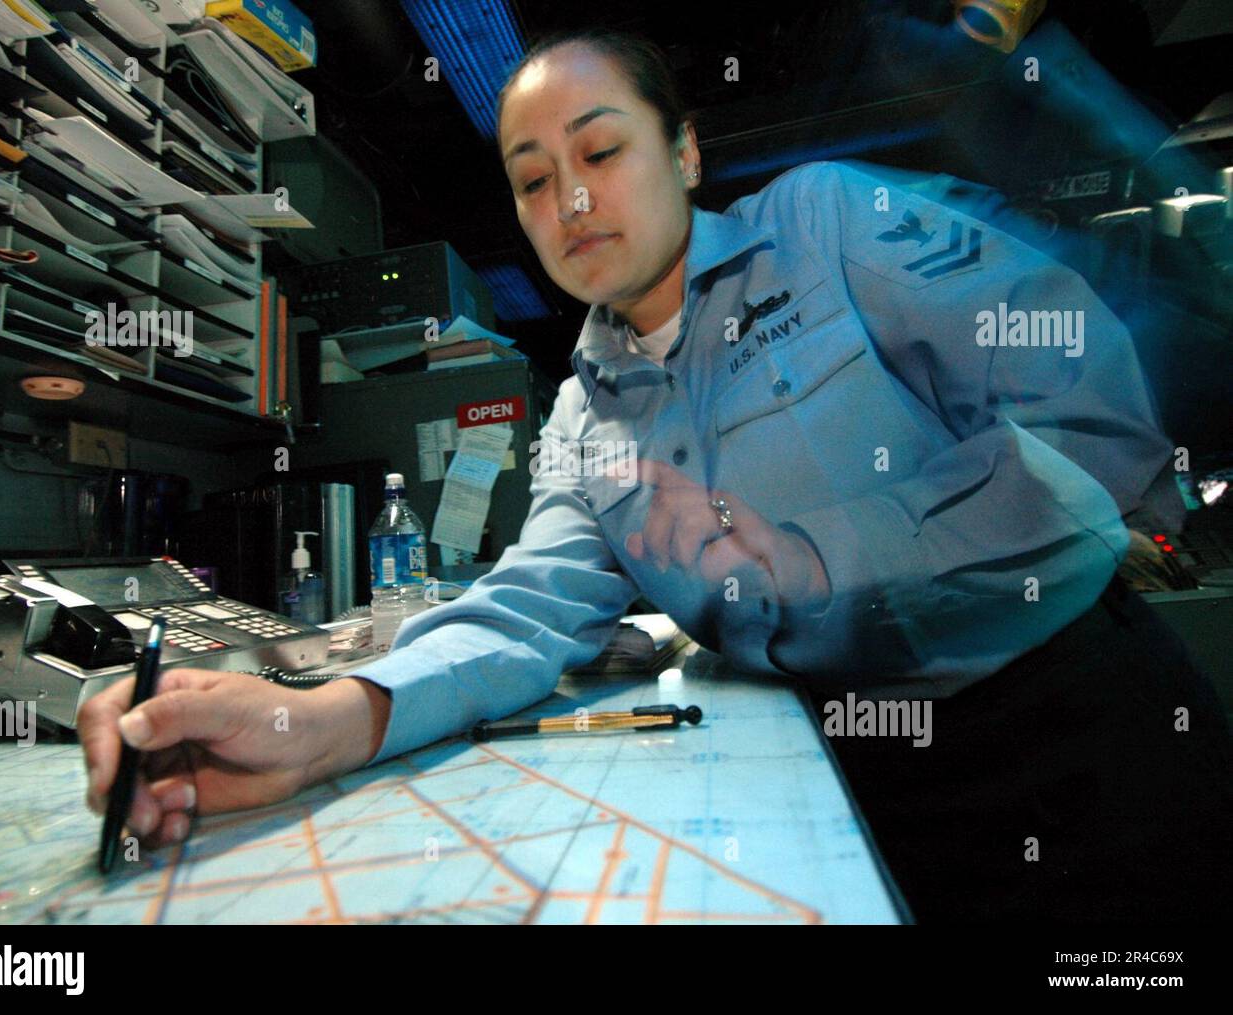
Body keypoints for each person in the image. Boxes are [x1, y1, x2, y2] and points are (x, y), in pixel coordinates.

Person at [80, 28, 1231, 922]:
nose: (569, 200)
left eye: (600, 149)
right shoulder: (582, 418)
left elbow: (1086, 431)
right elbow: (526, 614)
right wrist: (319, 720)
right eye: (531, 180)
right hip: (861, 770)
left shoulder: (831, 223)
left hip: (1074, 737)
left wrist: (818, 556)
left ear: (681, 151)